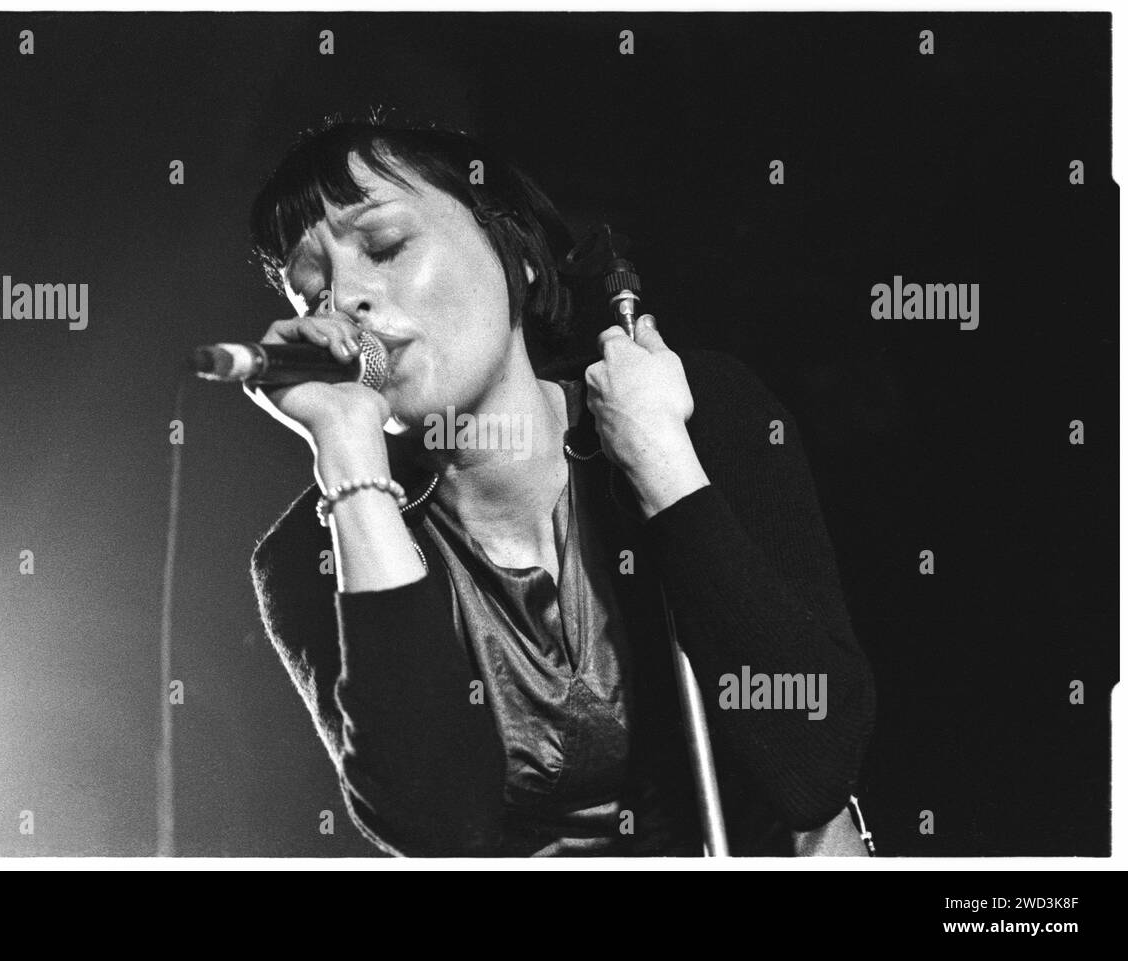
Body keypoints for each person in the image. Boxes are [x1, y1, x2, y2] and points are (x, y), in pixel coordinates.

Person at [246, 115, 876, 856]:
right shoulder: (309, 556)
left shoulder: (706, 411)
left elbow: (814, 766)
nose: (343, 300)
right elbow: (437, 832)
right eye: (310, 292)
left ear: (517, 256)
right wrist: (348, 447)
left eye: (384, 246)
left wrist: (663, 464)